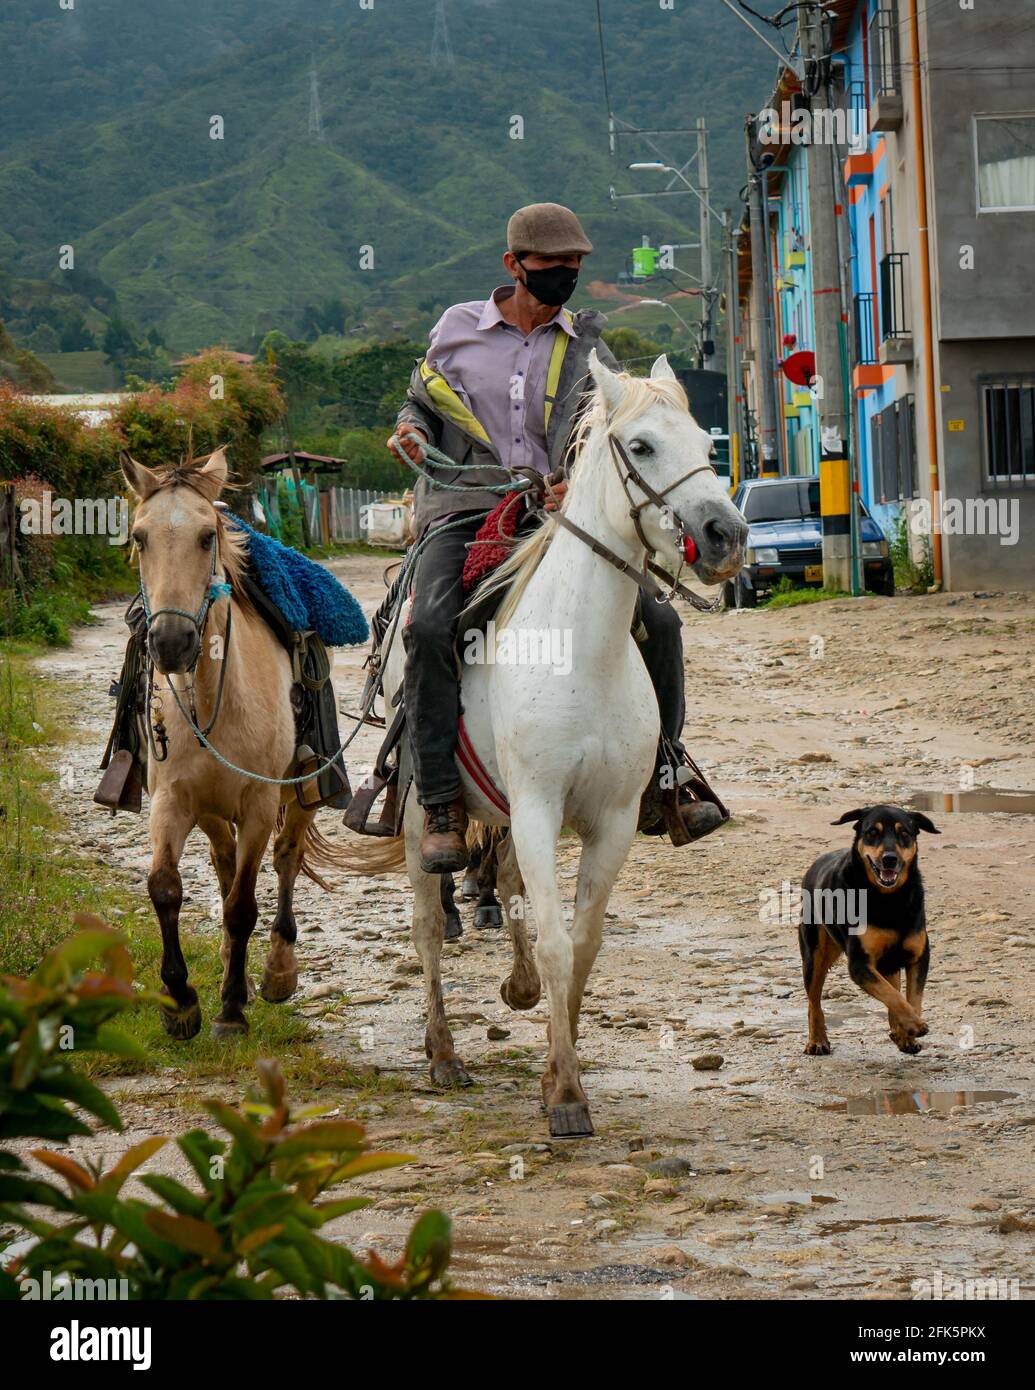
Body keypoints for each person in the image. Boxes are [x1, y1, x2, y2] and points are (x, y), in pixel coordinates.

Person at [390, 202, 724, 872]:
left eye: (574, 264)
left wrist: (574, 480)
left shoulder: (588, 349)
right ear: (513, 266)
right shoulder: (455, 329)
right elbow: (419, 401)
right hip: (464, 506)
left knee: (659, 622)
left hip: (554, 515)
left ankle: (667, 776)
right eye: (550, 265)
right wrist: (412, 432)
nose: (565, 274)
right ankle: (440, 800)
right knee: (428, 628)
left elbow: (605, 436)